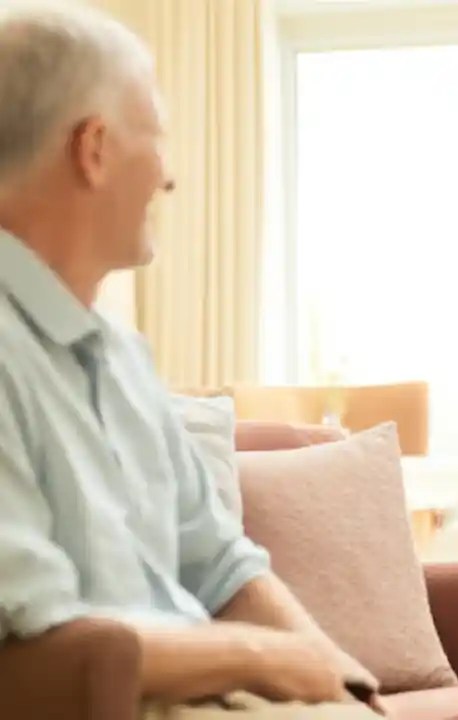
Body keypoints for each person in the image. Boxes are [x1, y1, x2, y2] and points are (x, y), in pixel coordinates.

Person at [0, 5, 380, 718]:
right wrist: (266, 657)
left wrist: (347, 687)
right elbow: (42, 641)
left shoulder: (123, 357)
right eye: (160, 141)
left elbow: (221, 565)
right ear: (95, 148)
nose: (169, 178)